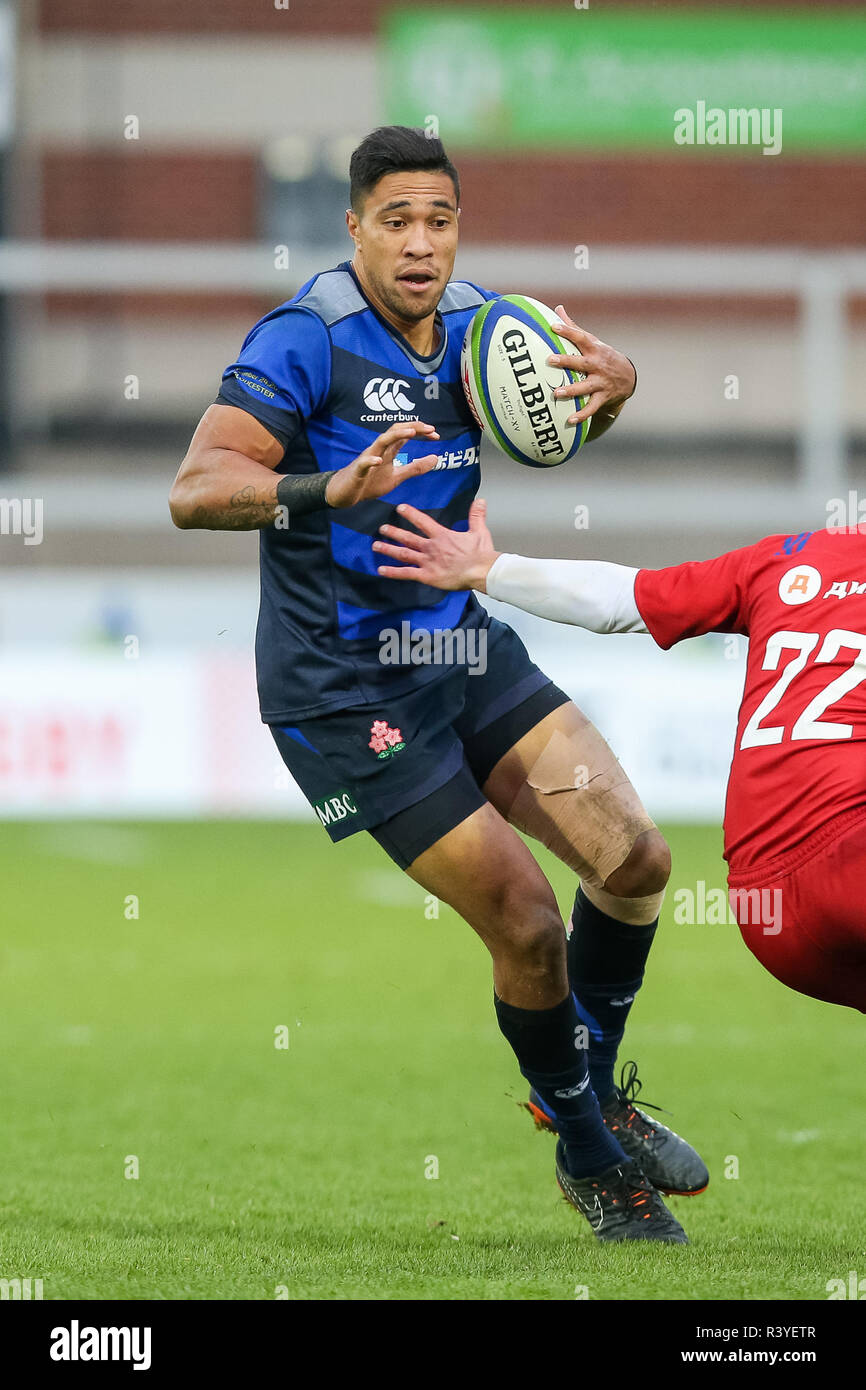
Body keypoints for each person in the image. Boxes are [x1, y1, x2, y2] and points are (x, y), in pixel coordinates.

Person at [169, 125, 708, 1245]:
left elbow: (559, 419)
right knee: (528, 924)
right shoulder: (305, 339)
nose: (420, 244)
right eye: (397, 221)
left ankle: (584, 1093)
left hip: (456, 648)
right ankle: (593, 1157)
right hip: (343, 691)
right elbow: (195, 488)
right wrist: (323, 488)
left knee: (637, 861)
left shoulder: (484, 330)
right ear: (355, 228)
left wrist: (615, 391)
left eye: (440, 220)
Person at [373, 503, 866, 1015]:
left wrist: (488, 568)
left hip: (766, 905)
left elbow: (621, 598)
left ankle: (587, 1065)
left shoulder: (792, 556)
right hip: (849, 867)